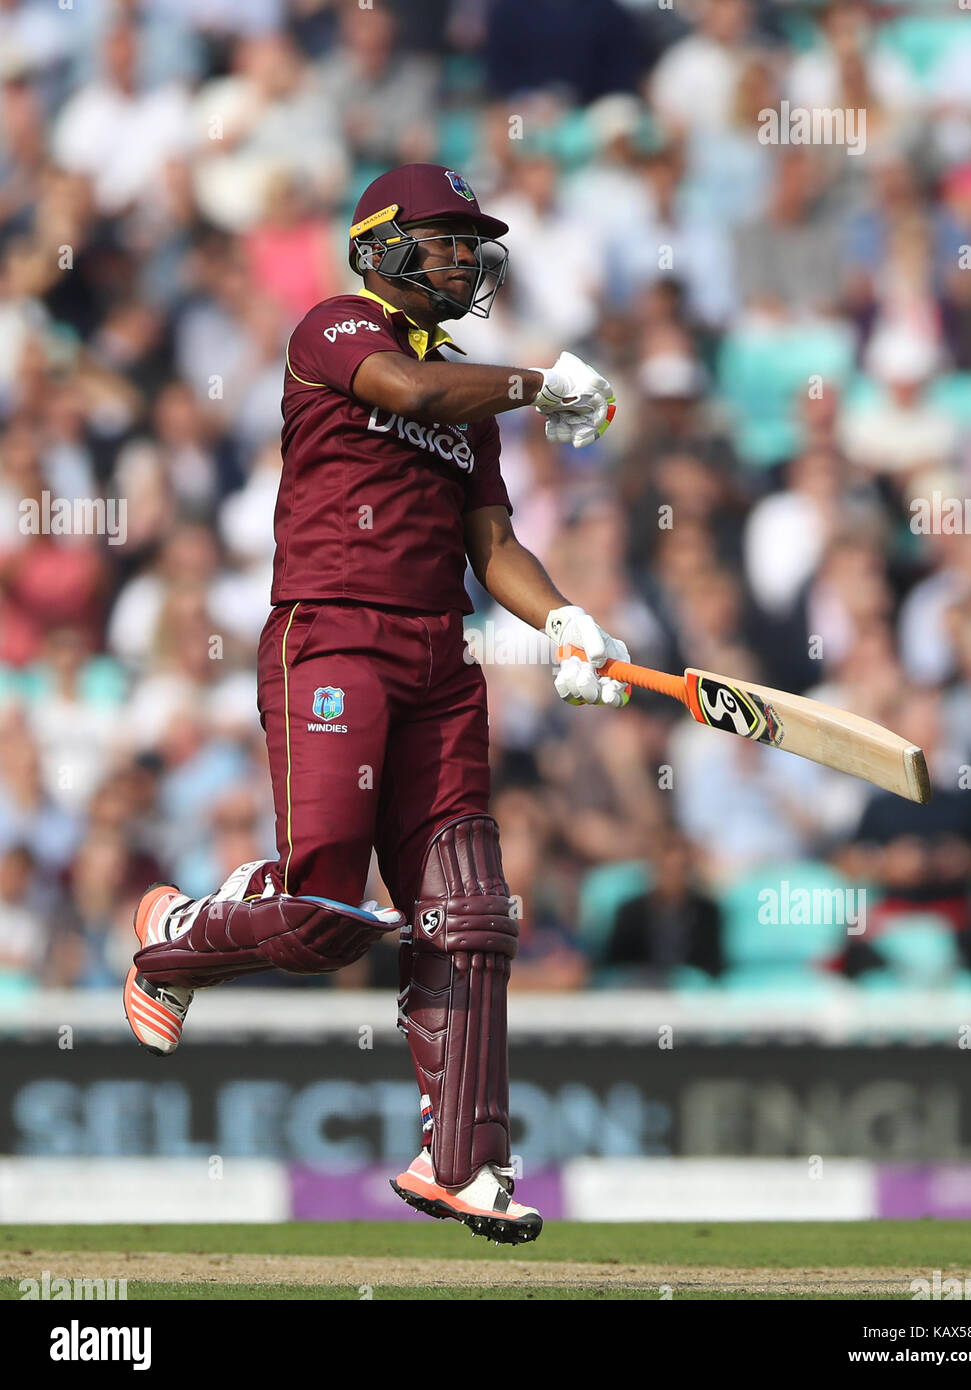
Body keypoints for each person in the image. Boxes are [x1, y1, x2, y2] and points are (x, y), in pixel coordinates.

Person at [121, 163, 629, 1244]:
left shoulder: (470, 393)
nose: (465, 259)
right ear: (380, 244)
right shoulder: (336, 327)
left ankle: (464, 1163)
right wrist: (539, 382)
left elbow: (491, 544)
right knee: (321, 922)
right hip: (334, 634)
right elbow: (409, 393)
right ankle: (176, 933)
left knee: (472, 911)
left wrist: (567, 623)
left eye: (471, 244)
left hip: (441, 659)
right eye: (447, 240)